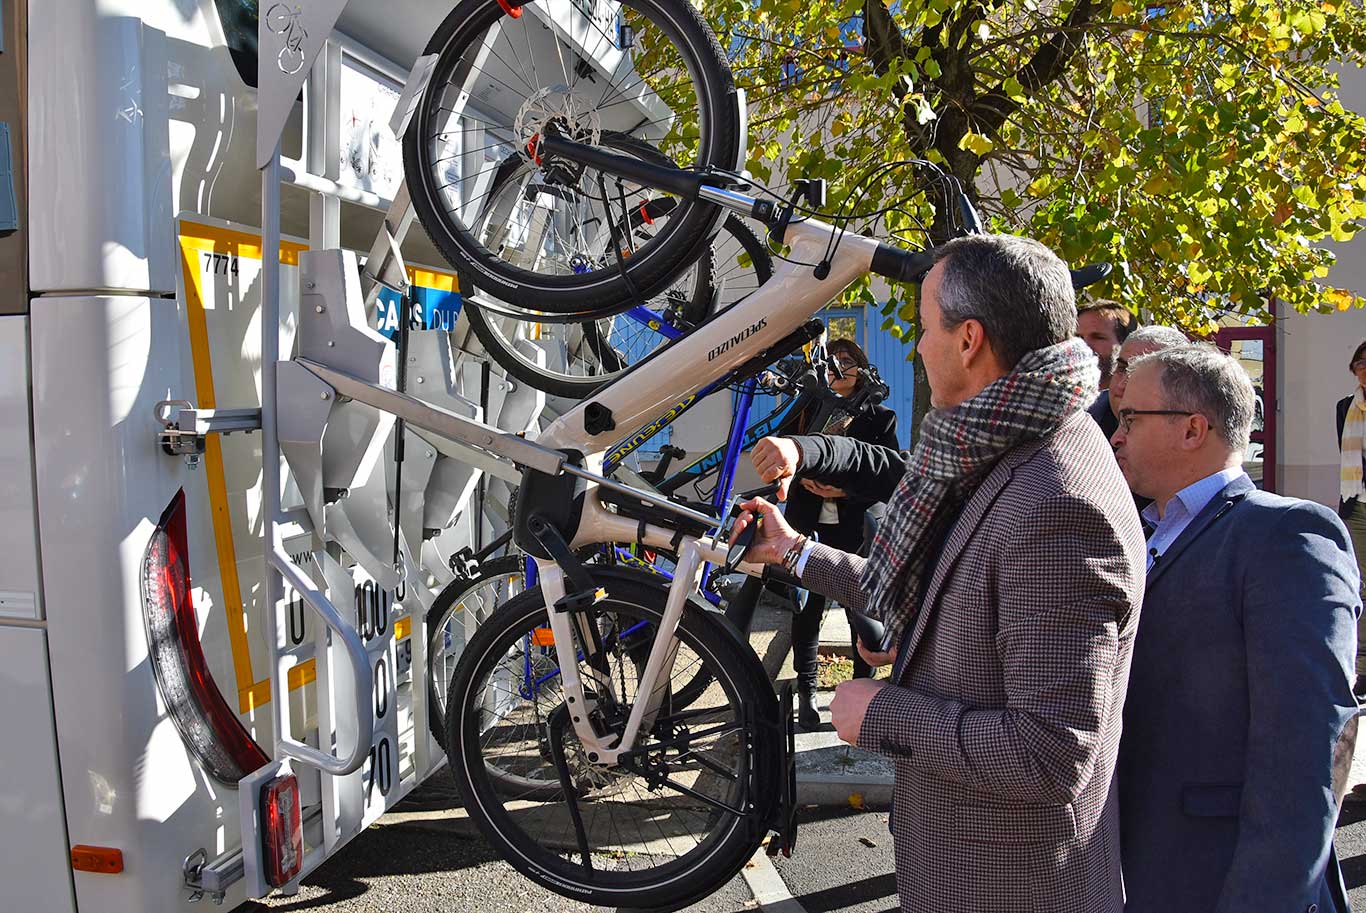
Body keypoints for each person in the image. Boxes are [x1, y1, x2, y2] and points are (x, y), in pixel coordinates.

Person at [735, 233, 1145, 913]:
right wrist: (792, 550)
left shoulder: (1057, 502)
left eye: (927, 328)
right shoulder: (1007, 440)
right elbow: (934, 585)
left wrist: (884, 711)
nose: (919, 348)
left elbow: (1051, 752)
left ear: (970, 339)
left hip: (1012, 888)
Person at [1111, 344, 1359, 913]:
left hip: (1224, 879)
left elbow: (1309, 747)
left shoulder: (1287, 535)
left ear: (1193, 428)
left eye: (1130, 418)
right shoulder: (1138, 533)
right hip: (1142, 870)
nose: (1116, 435)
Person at [781, 338, 897, 728]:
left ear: (861, 367)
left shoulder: (881, 418)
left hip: (855, 528)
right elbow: (784, 452)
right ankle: (807, 693)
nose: (838, 367)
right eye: (832, 361)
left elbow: (888, 475)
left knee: (860, 611)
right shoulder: (807, 408)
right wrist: (803, 477)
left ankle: (863, 692)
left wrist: (846, 487)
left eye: (847, 361)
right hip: (808, 525)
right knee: (807, 612)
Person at [1337, 339, 1366, 700]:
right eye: (1360, 361)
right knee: (1358, 587)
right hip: (1356, 505)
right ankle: (1361, 670)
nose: (1363, 367)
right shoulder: (1346, 407)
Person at [1078, 300, 1137, 438]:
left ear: (1124, 345)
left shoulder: (1133, 410)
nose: (1083, 345)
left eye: (1097, 337)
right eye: (1078, 337)